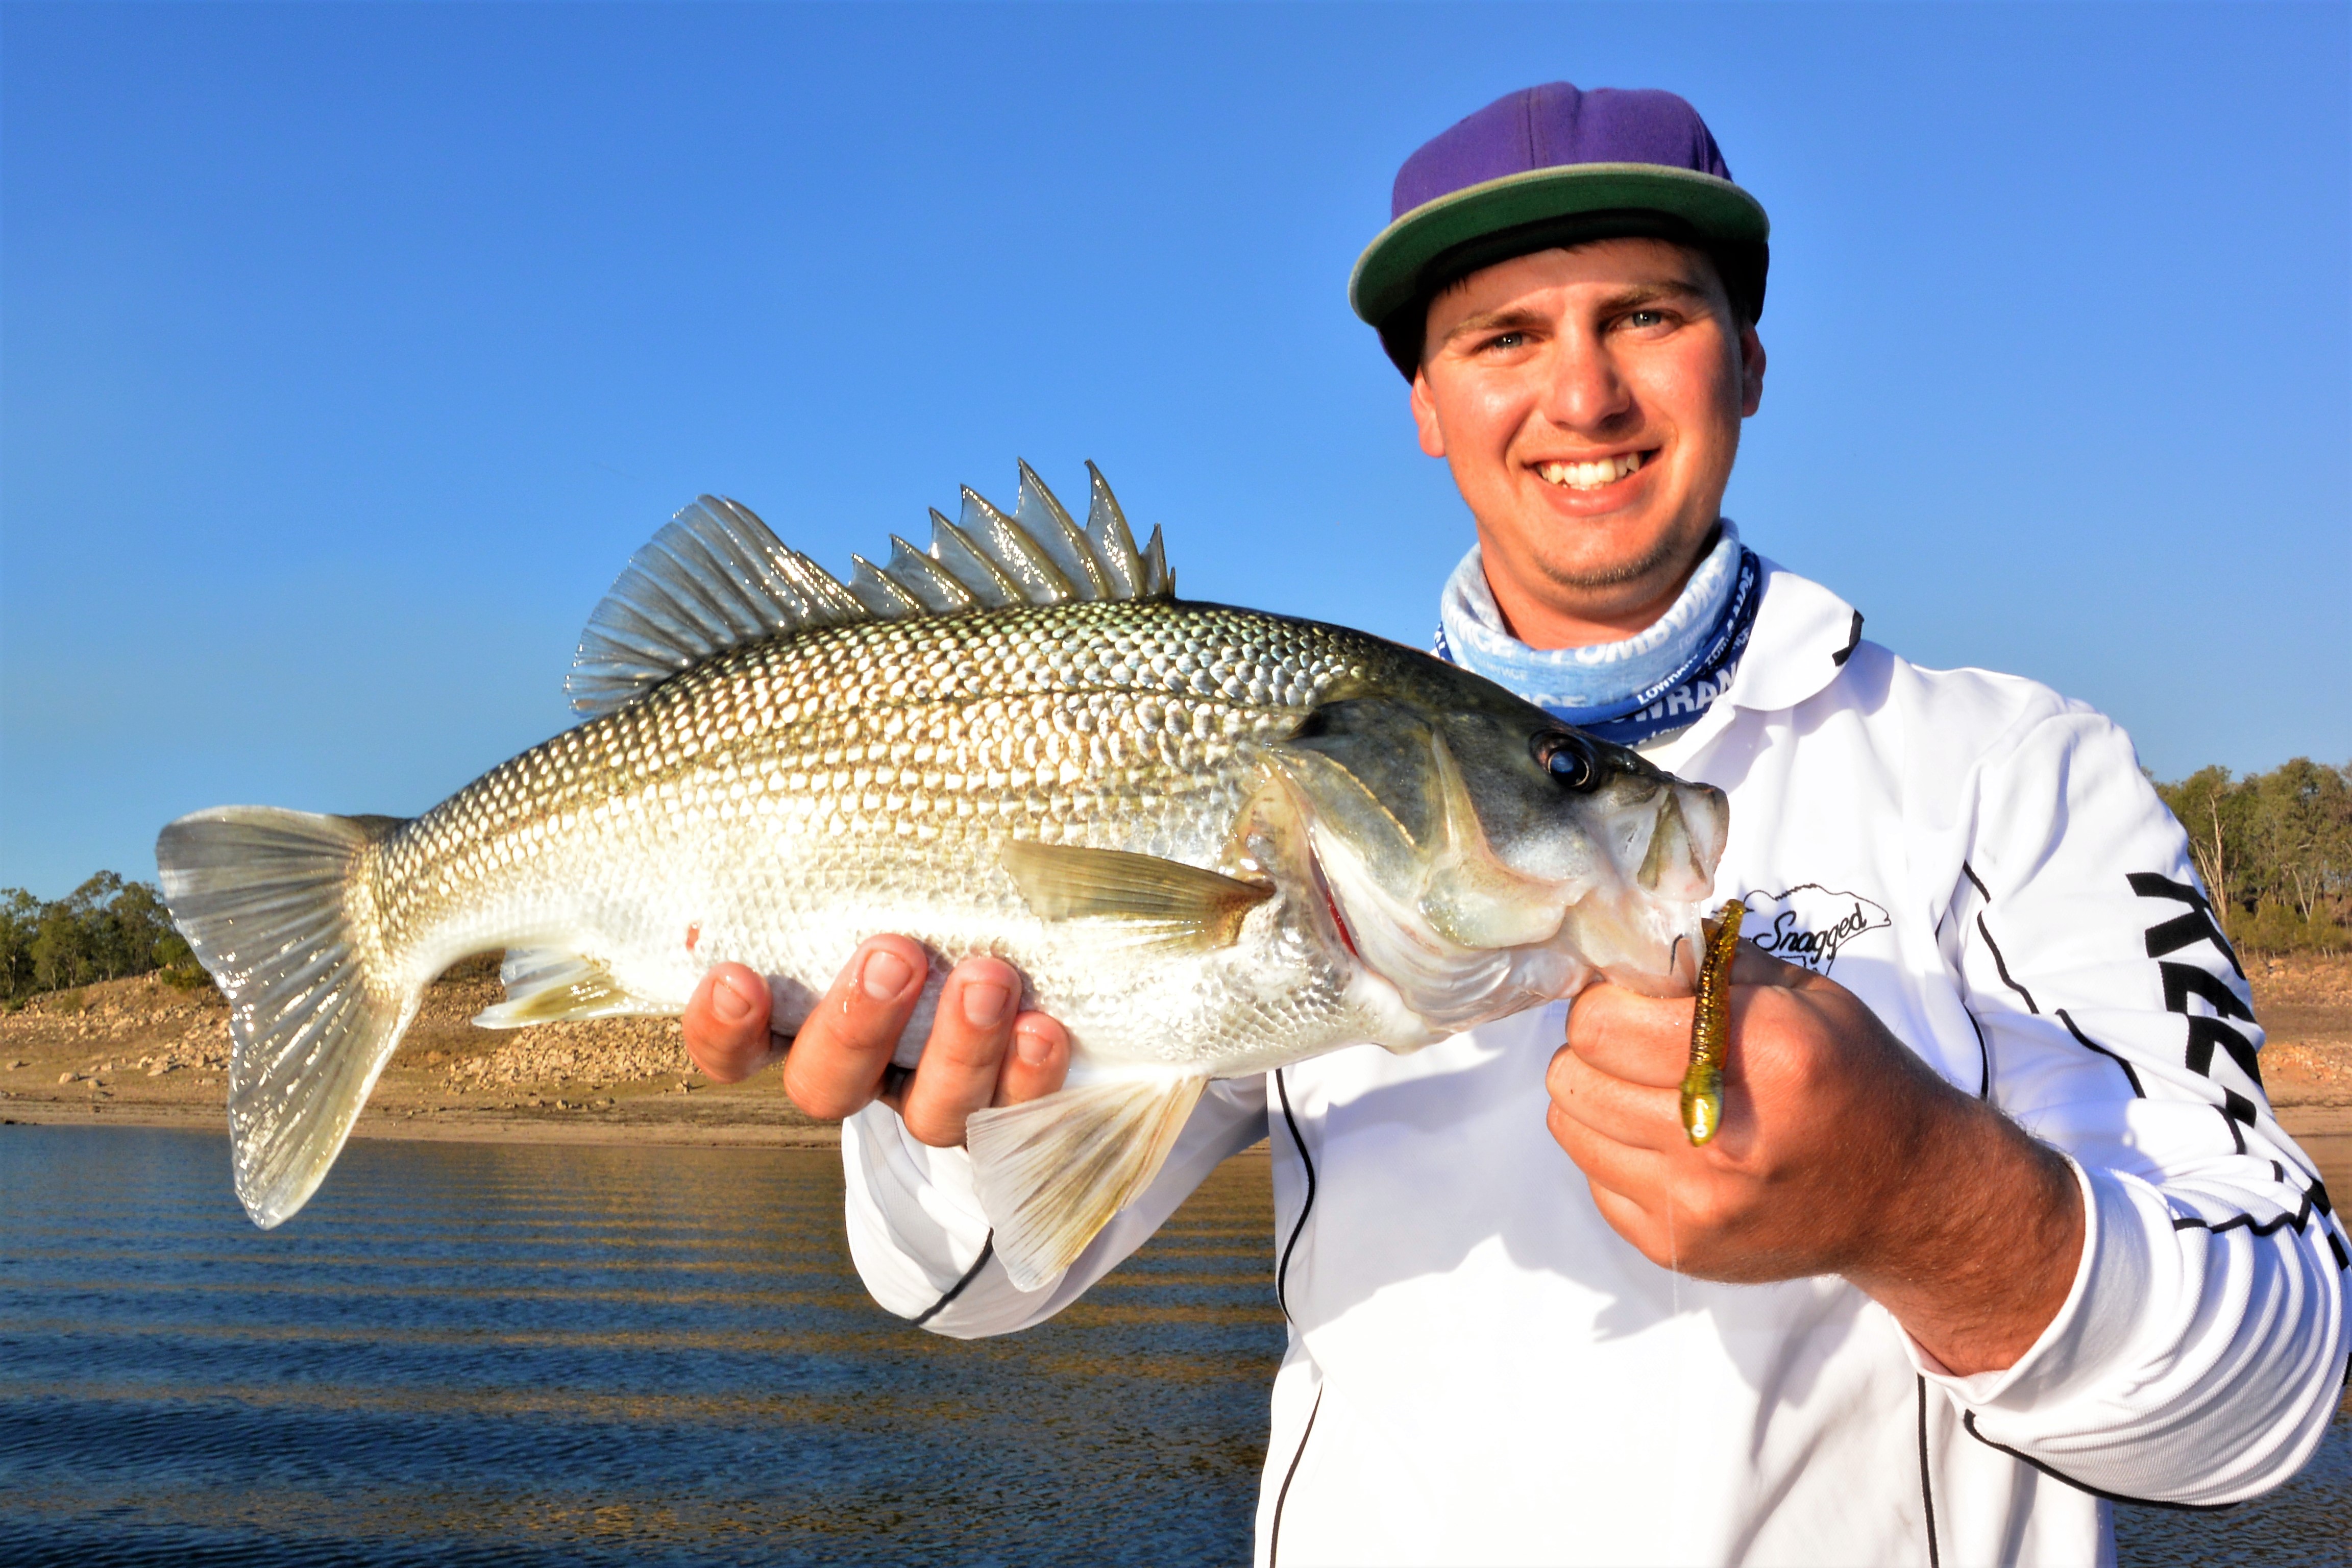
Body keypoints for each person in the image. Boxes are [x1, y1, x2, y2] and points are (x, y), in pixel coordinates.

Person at [679, 83, 2349, 1566]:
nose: (1584, 394)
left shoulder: (2018, 768)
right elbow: (976, 1282)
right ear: (1425, 399)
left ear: (1749, 358)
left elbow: (2272, 1395)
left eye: (1646, 315)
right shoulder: (1309, 770)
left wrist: (1920, 1196)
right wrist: (926, 1106)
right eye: (1502, 339)